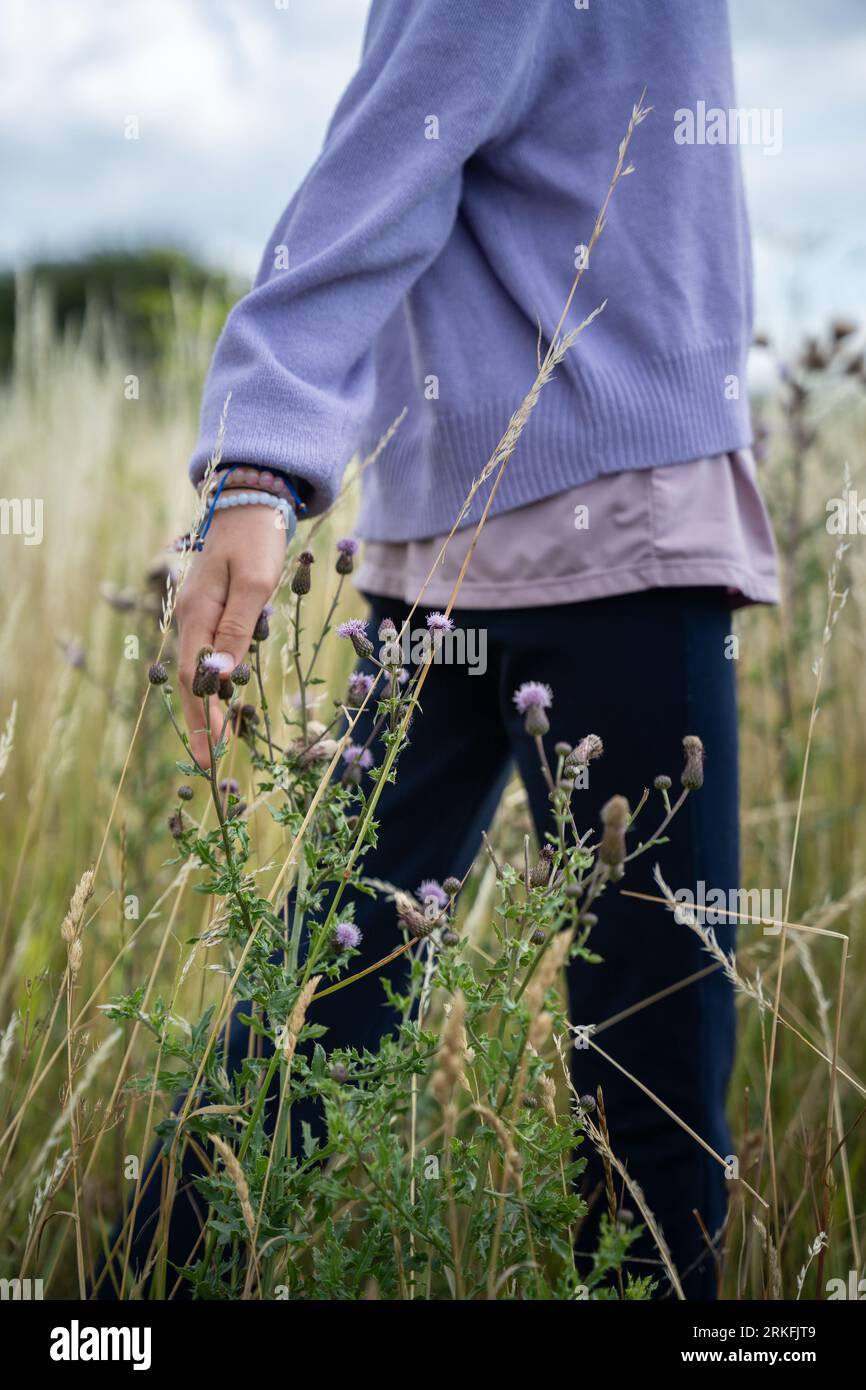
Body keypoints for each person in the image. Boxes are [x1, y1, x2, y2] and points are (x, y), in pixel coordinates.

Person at [172, 0, 778, 1298]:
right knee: (651, 1093)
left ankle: (148, 1294)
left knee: (319, 996)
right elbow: (383, 156)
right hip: (615, 526)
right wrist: (256, 466)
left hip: (450, 551)